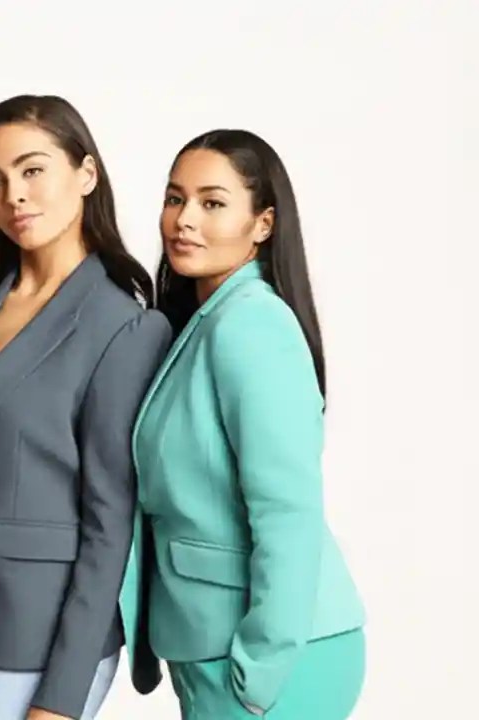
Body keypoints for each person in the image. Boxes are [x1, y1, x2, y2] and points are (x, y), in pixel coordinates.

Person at [0, 95, 172, 720]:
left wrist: (61, 697)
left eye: (33, 171)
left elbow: (111, 523)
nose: (14, 197)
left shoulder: (124, 326)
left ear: (86, 174)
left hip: (48, 633)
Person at [119, 129, 366, 719]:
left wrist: (259, 669)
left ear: (263, 224)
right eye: (175, 198)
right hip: (210, 646)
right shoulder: (205, 321)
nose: (183, 219)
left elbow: (288, 511)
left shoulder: (250, 325)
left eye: (213, 202)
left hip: (271, 657)